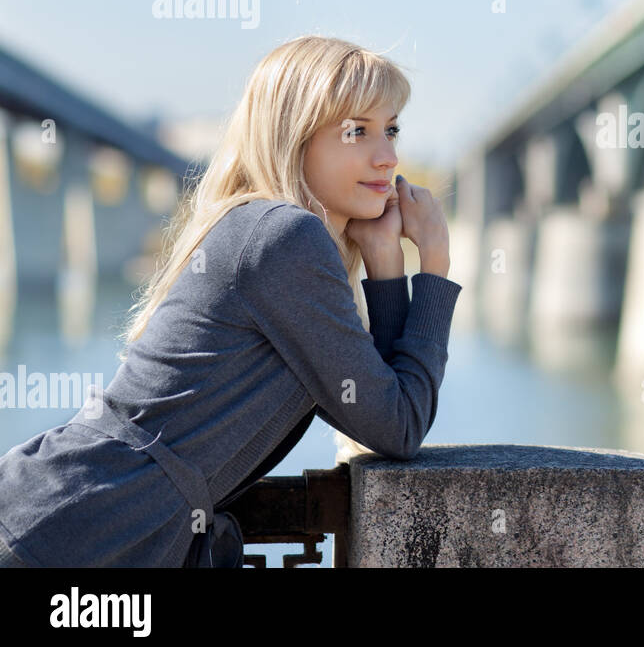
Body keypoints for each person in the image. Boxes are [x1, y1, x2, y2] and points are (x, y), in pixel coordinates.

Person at [0, 35, 459, 567]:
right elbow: (399, 425)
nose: (388, 157)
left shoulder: (267, 231)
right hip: (69, 532)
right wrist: (435, 269)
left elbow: (381, 406)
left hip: (90, 520)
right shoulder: (284, 237)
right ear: (292, 136)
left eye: (392, 129)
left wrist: (384, 265)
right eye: (356, 131)